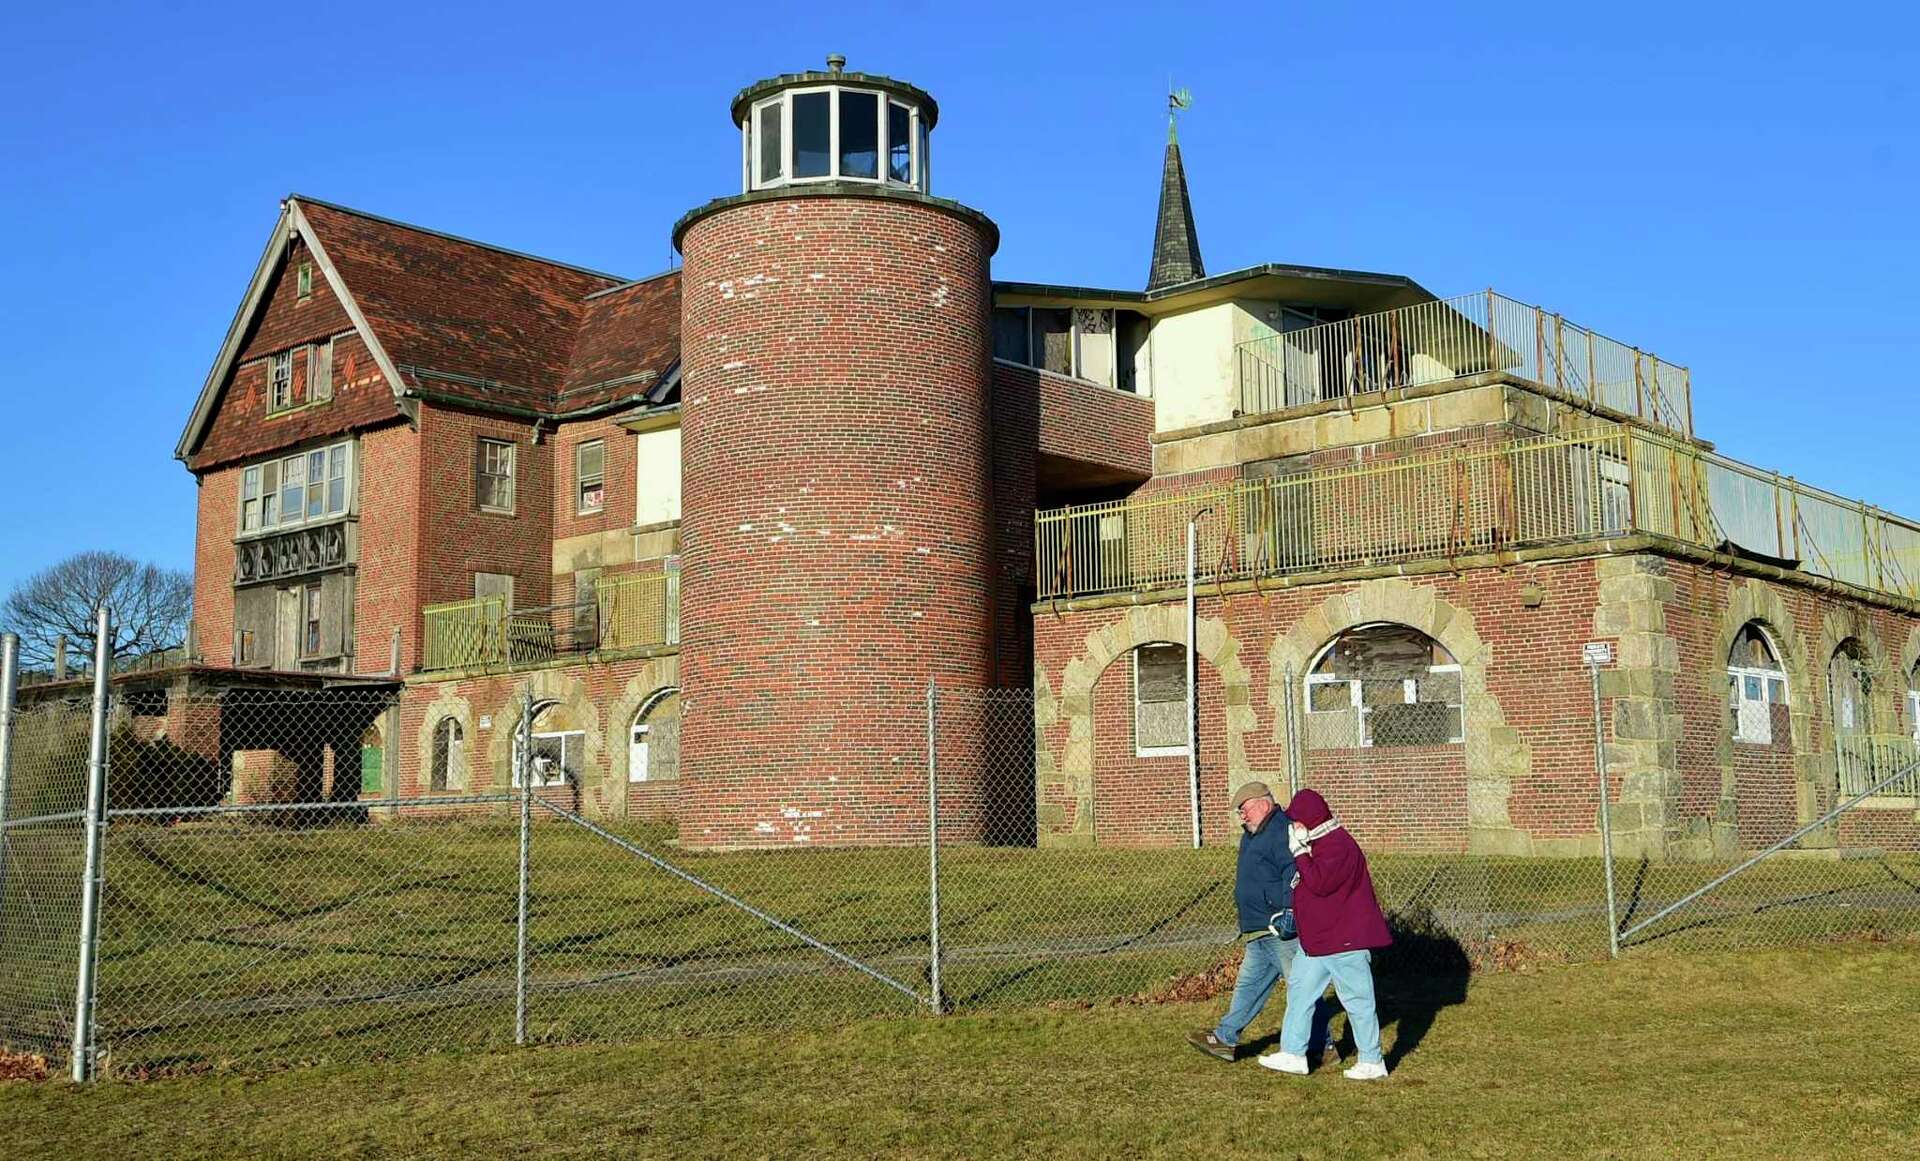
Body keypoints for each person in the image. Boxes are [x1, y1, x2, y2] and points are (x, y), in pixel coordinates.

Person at [1258, 788, 1393, 1081]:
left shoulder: (1338, 845)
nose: (1292, 828)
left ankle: (1372, 1060)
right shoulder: (1318, 845)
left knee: (1357, 999)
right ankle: (1294, 1053)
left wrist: (1299, 853)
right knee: (1300, 991)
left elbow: (1319, 883)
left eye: (1295, 822)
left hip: (1344, 939)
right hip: (1318, 941)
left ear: (1310, 820)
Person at [1186, 781, 1306, 1062]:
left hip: (1278, 929)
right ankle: (1225, 1039)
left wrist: (1290, 911)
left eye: (1244, 809)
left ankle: (1321, 1045)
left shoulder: (1280, 831)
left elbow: (1295, 870)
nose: (1242, 815)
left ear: (1263, 804)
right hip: (1256, 928)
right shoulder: (1251, 835)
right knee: (1248, 987)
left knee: (1301, 988)